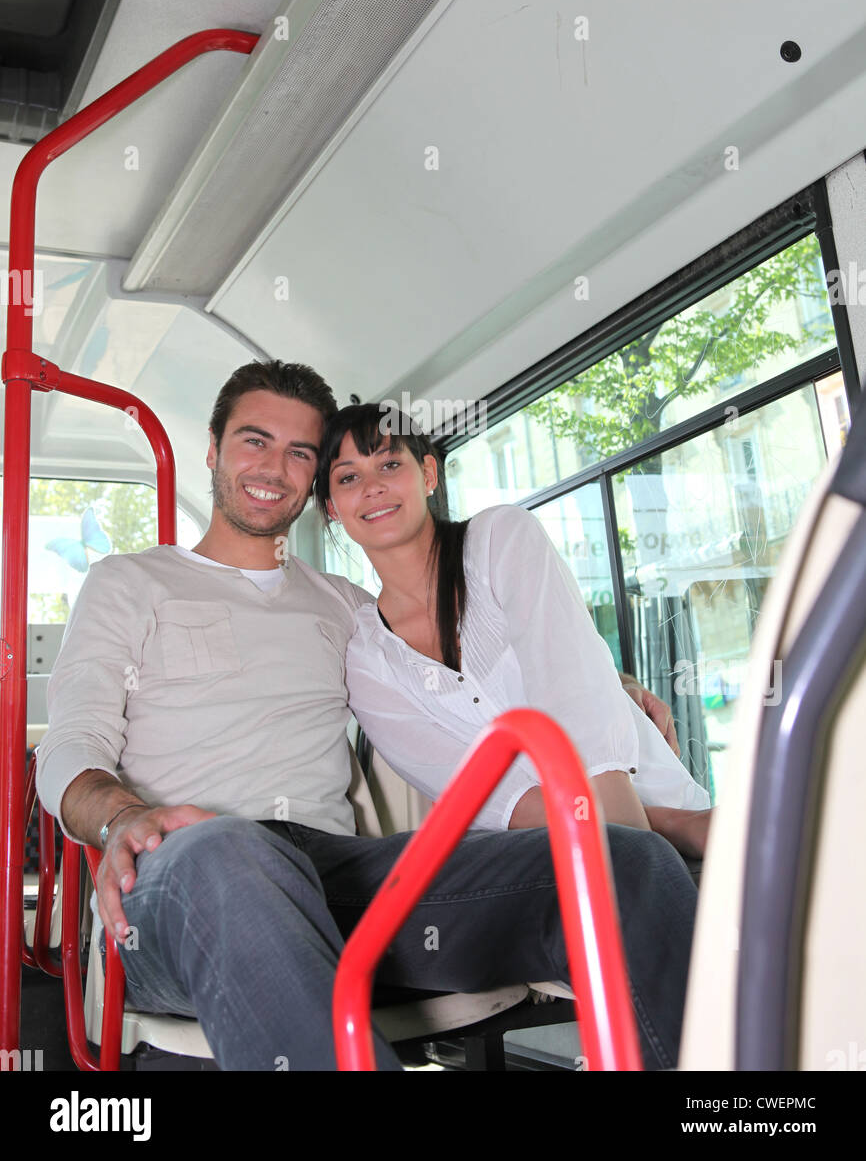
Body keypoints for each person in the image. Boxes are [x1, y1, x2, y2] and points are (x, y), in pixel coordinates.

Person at [36, 360, 698, 1071]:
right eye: (255, 441)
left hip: (338, 879)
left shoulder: (344, 606)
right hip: (181, 874)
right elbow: (71, 746)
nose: (274, 468)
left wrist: (611, 680)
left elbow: (441, 658)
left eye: (300, 454)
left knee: (619, 859)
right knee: (229, 851)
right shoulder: (129, 582)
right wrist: (121, 819)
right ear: (213, 449)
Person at [314, 403, 712, 858]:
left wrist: (641, 841)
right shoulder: (367, 662)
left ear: (427, 473)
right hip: (561, 860)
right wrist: (665, 830)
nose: (372, 488)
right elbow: (482, 792)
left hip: (673, 830)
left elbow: (576, 699)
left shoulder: (501, 539)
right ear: (331, 508)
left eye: (389, 464)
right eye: (348, 478)